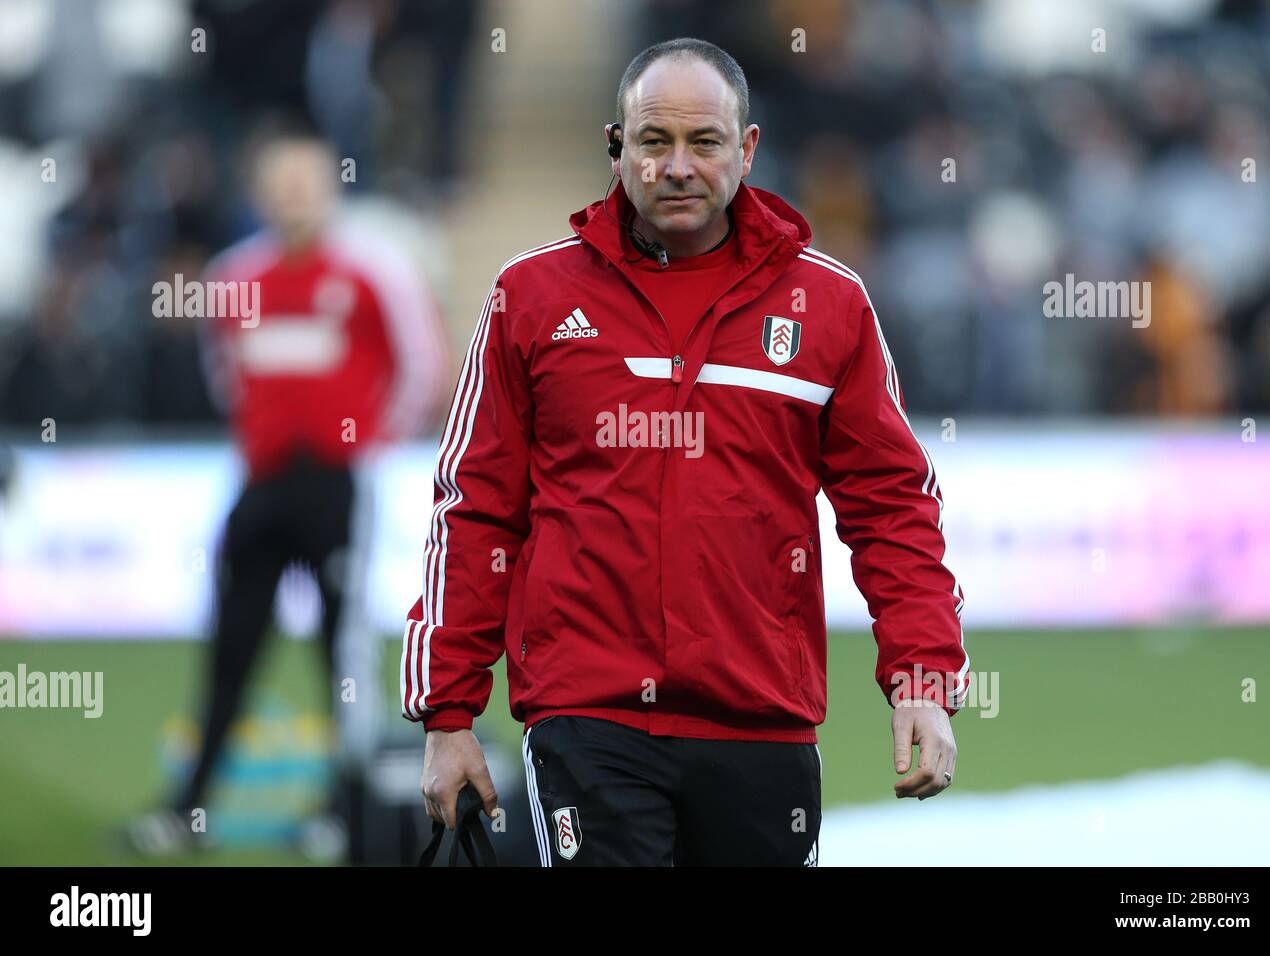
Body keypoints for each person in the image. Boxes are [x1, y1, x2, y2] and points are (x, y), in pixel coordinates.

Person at [403, 38, 968, 866]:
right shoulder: (531, 298)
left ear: (746, 149)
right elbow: (475, 511)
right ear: (616, 146)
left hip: (765, 721)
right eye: (653, 141)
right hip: (589, 719)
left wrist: (921, 677)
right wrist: (448, 714)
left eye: (703, 142)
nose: (677, 166)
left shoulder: (830, 305)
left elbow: (893, 505)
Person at [128, 128, 449, 858]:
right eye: (280, 183)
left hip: (337, 485)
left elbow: (422, 365)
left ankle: (347, 808)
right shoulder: (232, 275)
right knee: (231, 648)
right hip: (262, 483)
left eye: (306, 182)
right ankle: (188, 809)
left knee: (341, 655)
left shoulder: (374, 270)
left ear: (330, 188)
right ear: (259, 193)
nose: (293, 197)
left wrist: (368, 439)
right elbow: (225, 370)